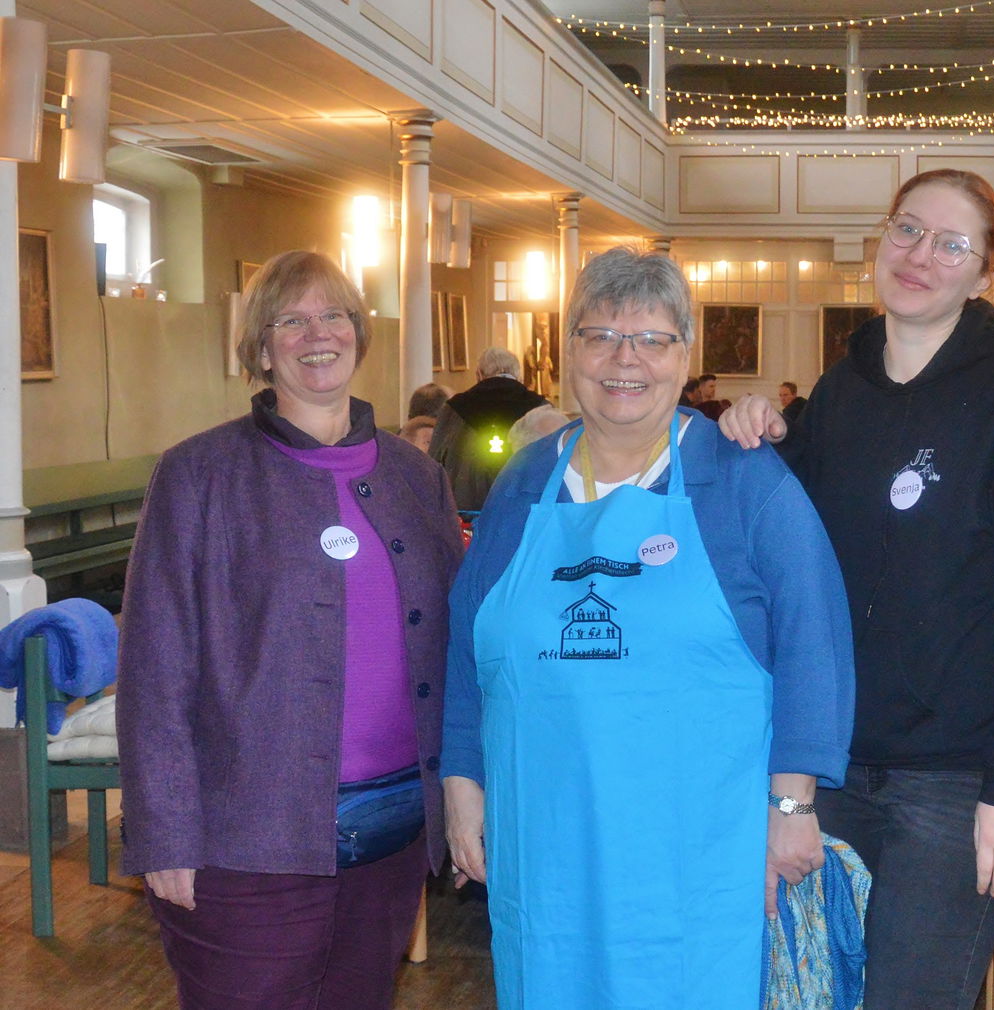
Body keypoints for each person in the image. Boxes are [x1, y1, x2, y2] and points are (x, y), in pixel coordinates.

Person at [441, 247, 855, 1009]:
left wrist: (792, 809)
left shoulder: (741, 477)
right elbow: (470, 648)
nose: (623, 359)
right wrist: (463, 788)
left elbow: (813, 644)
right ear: (567, 352)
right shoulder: (524, 482)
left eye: (652, 339)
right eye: (599, 335)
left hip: (697, 852)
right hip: (547, 841)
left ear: (686, 355)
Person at [719, 168, 994, 1009]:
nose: (920, 256)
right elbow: (791, 569)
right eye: (907, 230)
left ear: (986, 272)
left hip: (957, 789)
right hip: (831, 771)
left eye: (951, 244)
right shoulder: (842, 391)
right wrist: (763, 434)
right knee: (810, 991)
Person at [117, 250, 464, 1010]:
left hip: (394, 831)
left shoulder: (417, 478)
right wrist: (164, 831)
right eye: (291, 319)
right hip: (248, 839)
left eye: (334, 314)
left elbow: (458, 649)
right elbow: (154, 666)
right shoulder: (198, 476)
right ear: (261, 347)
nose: (318, 334)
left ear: (359, 332)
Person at [429, 346, 549, 510]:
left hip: (467, 509)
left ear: (478, 374)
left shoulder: (455, 409)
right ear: (519, 376)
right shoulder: (541, 409)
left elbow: (434, 460)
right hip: (523, 509)